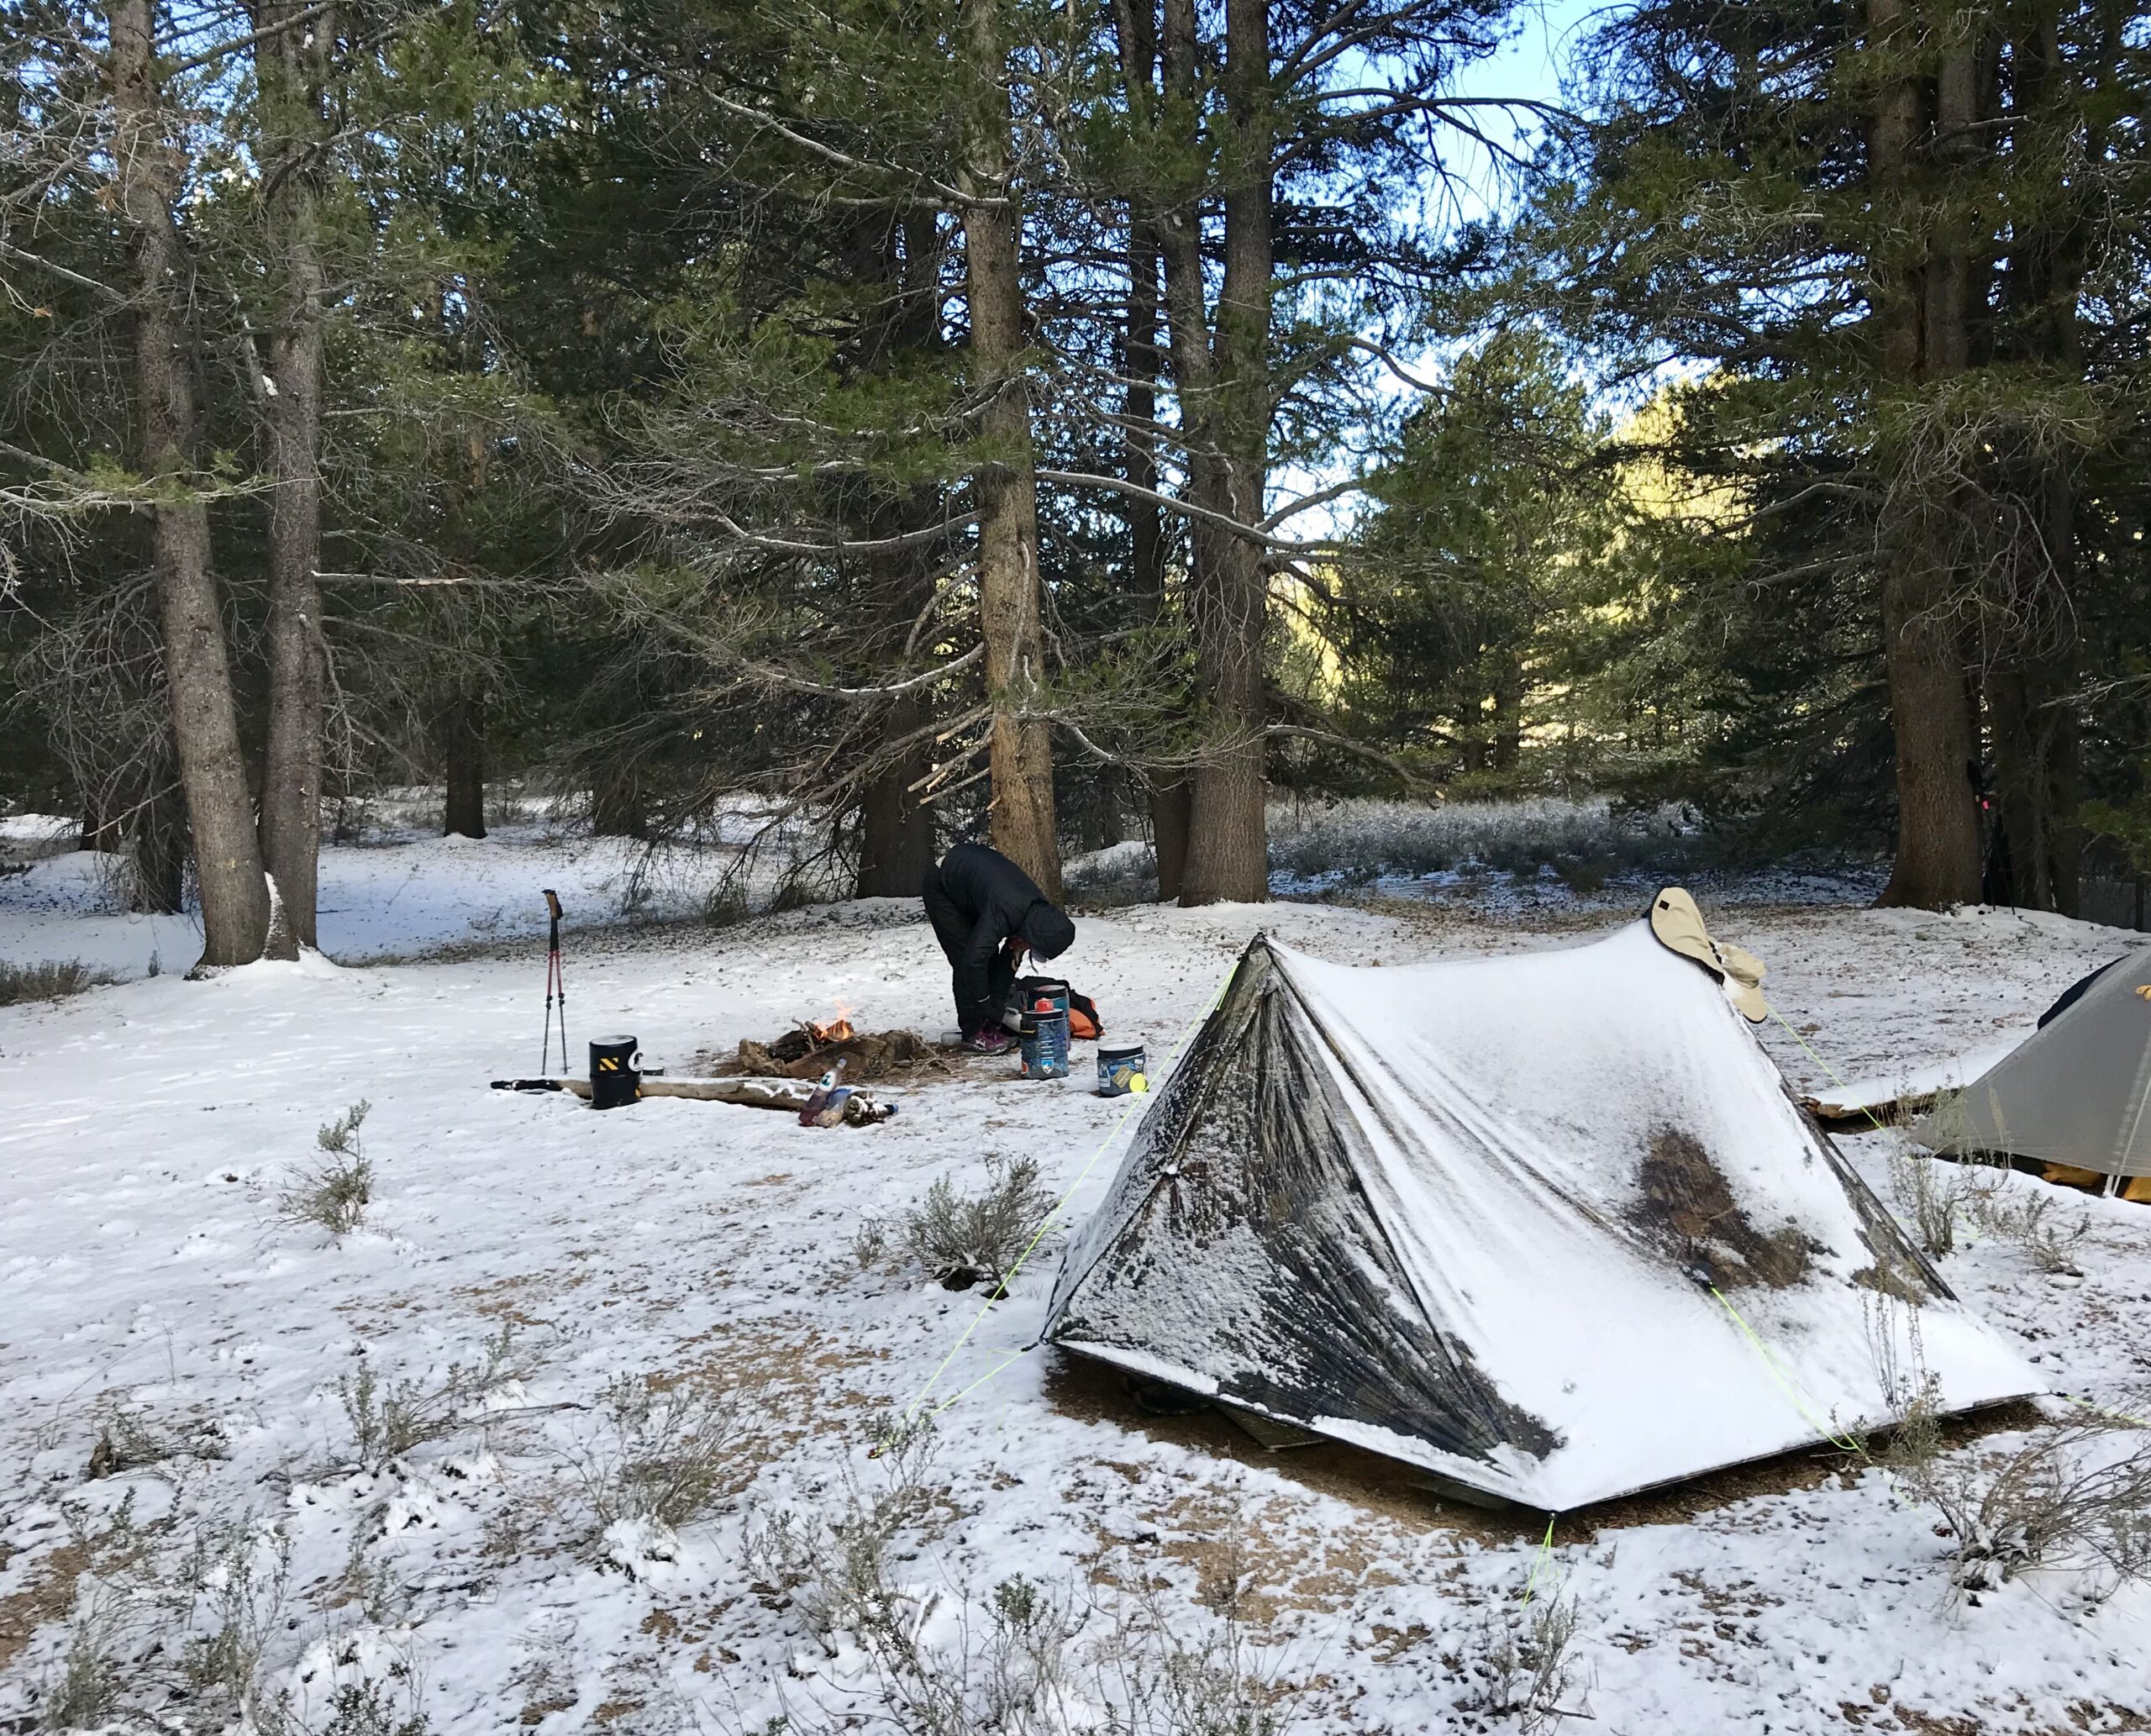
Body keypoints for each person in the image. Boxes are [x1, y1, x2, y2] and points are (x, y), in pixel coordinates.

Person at [921, 843, 1076, 1053]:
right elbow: (973, 961)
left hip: (973, 889)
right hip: (943, 885)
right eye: (1031, 946)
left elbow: (1009, 960)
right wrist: (985, 1005)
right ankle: (974, 1033)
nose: (1027, 947)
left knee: (987, 953)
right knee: (967, 954)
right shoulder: (1007, 908)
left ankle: (988, 1024)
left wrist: (998, 1010)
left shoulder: (1034, 916)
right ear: (1033, 936)